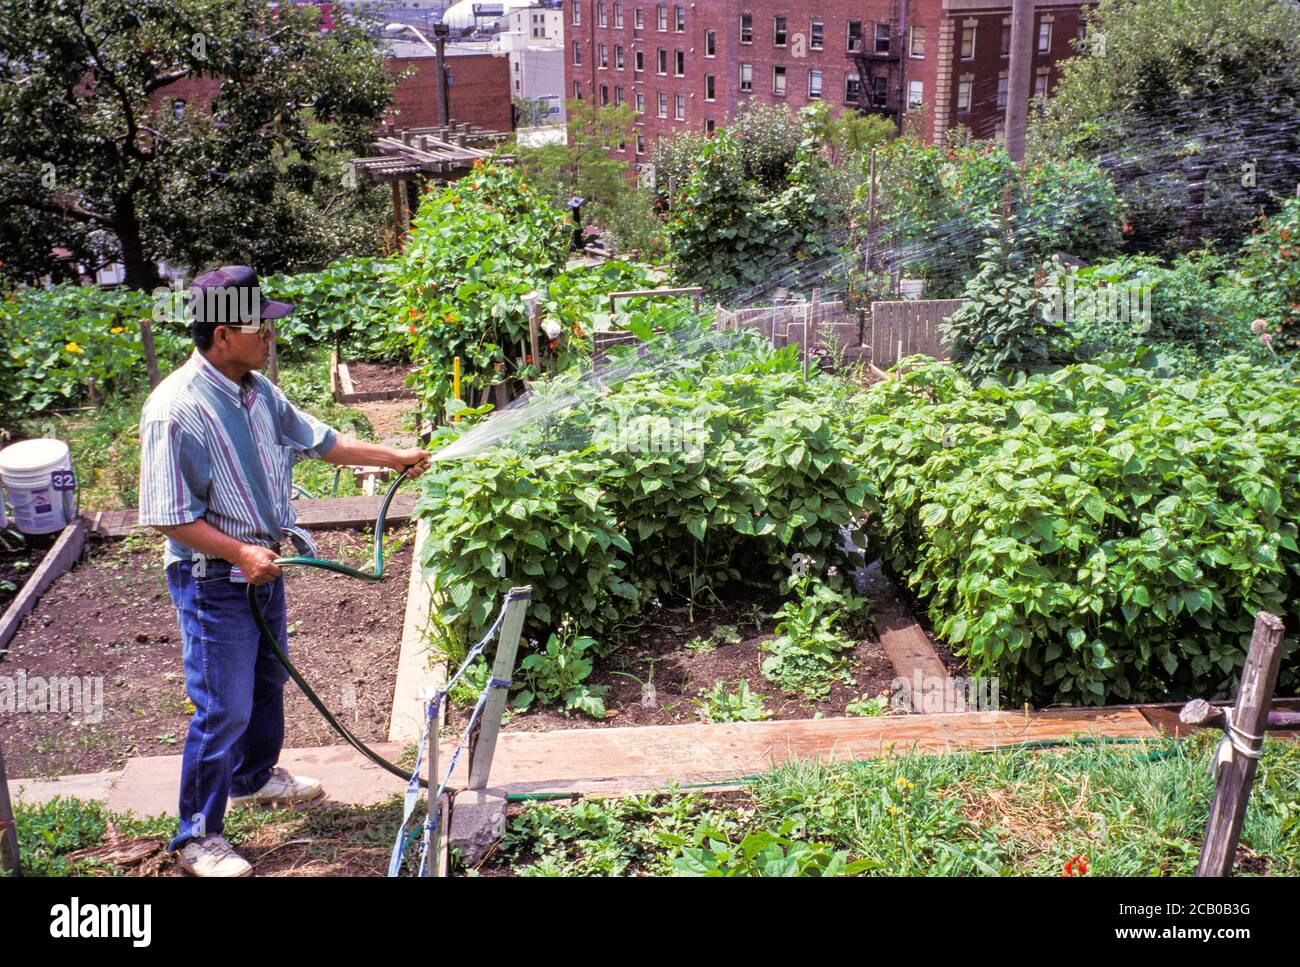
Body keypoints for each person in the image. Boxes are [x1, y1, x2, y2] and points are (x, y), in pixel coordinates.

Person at [138, 266, 430, 877]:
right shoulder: (174, 410)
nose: (271, 334)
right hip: (214, 579)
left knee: (267, 679)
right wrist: (240, 553)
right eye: (260, 325)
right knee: (223, 707)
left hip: (263, 570)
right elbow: (168, 518)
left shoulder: (258, 391)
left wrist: (394, 455)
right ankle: (196, 836)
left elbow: (322, 442)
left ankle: (253, 777)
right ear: (223, 334)